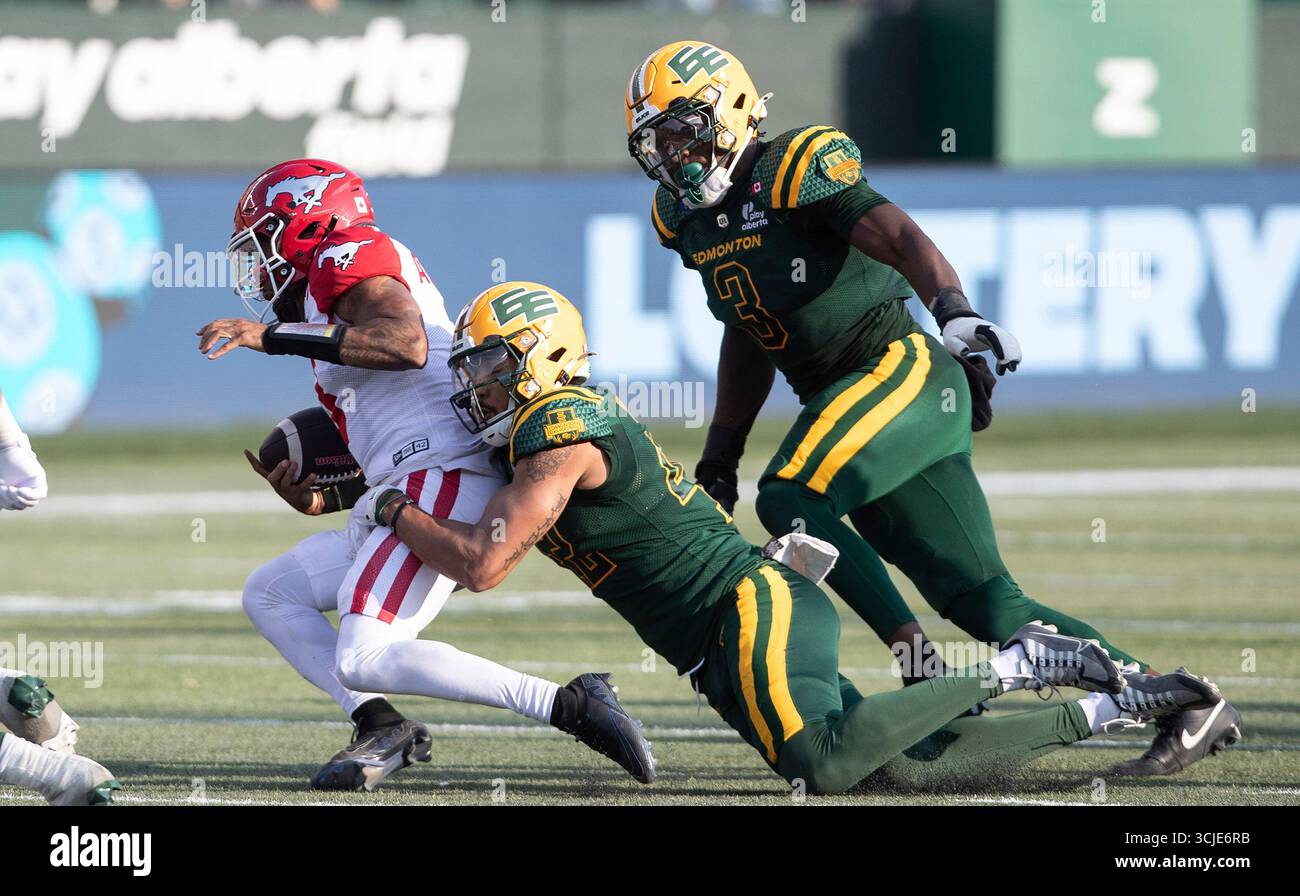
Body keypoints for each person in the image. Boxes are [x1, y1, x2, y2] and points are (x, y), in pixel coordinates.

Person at [623, 41, 1241, 776]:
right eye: (657, 140)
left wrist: (953, 309)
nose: (674, 155)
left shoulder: (794, 167)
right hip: (854, 408)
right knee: (989, 605)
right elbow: (746, 332)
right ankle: (1187, 701)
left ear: (728, 110)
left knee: (791, 492)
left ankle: (914, 653)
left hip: (903, 369)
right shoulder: (685, 220)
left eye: (683, 130)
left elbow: (900, 235)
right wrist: (721, 452)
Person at [360, 279, 1221, 794]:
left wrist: (391, 508)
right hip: (723, 634)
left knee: (824, 764)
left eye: (488, 366)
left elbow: (480, 564)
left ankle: (1019, 663)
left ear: (541, 361)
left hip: (746, 605)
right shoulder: (529, 434)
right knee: (908, 768)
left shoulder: (560, 426)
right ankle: (1113, 705)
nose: (472, 385)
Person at [195, 161, 654, 790]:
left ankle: (571, 705)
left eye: (269, 240)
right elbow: (395, 408)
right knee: (272, 593)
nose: (260, 263)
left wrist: (268, 336)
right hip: (412, 473)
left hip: (437, 473)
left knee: (365, 653)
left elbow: (405, 343)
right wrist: (330, 493)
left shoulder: (347, 253)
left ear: (311, 223)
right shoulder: (333, 281)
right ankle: (380, 725)